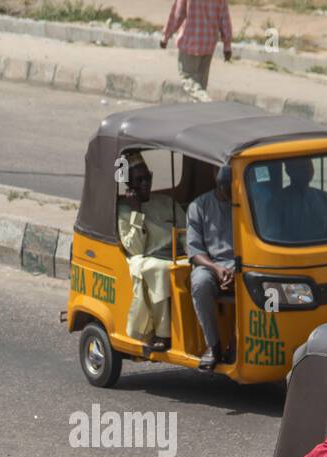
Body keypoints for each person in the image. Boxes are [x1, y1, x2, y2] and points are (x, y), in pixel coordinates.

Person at [117, 152, 184, 354]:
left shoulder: (165, 201)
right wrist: (136, 210)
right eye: (139, 180)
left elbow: (185, 230)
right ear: (129, 184)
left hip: (178, 252)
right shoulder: (124, 210)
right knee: (161, 270)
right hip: (151, 256)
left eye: (148, 178)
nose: (145, 184)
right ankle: (162, 334)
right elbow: (134, 248)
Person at [186, 164, 236, 371]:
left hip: (243, 265)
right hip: (212, 265)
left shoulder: (248, 202)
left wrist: (237, 269)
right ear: (214, 174)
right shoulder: (199, 205)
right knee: (199, 281)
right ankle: (213, 345)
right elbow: (195, 252)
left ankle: (237, 343)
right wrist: (216, 269)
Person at [160, 0, 233, 102]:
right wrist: (227, 45)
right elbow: (224, 18)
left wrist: (166, 36)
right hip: (208, 43)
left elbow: (178, 14)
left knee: (188, 78)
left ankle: (207, 102)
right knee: (200, 85)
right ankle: (201, 112)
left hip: (190, 42)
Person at [265, 158, 327, 244]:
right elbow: (272, 239)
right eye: (301, 167)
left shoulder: (324, 198)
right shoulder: (277, 202)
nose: (307, 170)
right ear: (288, 170)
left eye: (309, 165)